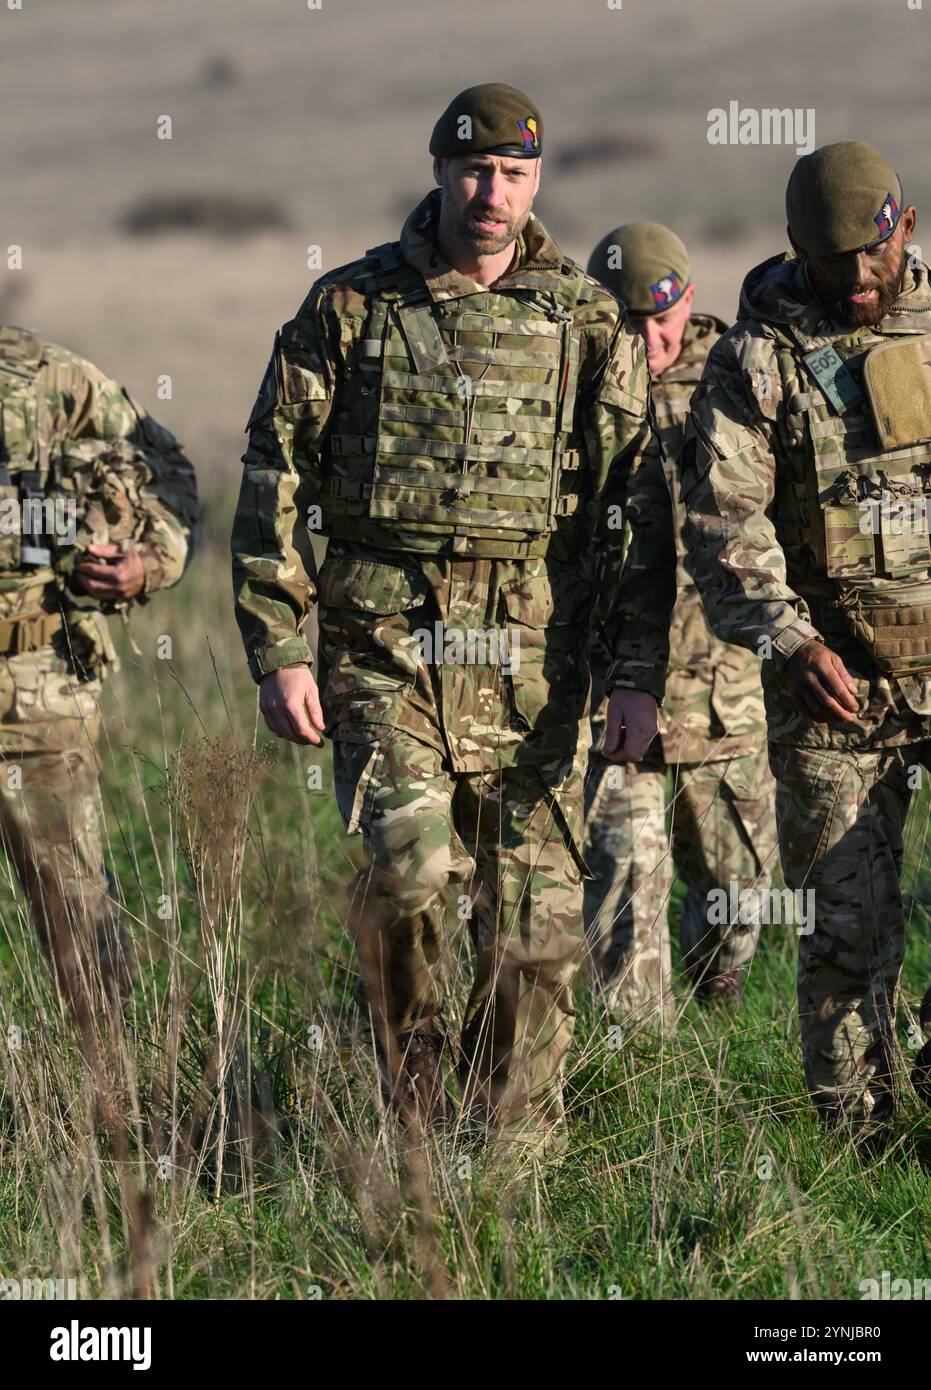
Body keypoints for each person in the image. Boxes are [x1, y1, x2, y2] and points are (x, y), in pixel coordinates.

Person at [231, 83, 675, 1155]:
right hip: (388, 653)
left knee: (538, 928)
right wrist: (279, 646)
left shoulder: (583, 320)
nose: (493, 193)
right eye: (474, 170)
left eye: (514, 175)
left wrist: (633, 674)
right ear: (438, 171)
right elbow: (271, 475)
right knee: (409, 872)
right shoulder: (351, 307)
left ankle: (513, 1151)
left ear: (537, 182)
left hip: (535, 664)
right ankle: (412, 1117)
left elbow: (633, 508)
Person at [681, 140, 931, 1137]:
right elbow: (721, 521)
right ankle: (864, 1147)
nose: (861, 283)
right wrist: (789, 640)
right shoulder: (756, 359)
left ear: (904, 226)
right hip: (834, 687)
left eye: (875, 256)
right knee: (846, 932)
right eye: (836, 266)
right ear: (795, 251)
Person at [584, 223, 776, 1023]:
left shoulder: (734, 381)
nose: (646, 342)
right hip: (612, 689)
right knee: (627, 884)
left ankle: (716, 1008)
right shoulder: (572, 387)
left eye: (658, 321)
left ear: (687, 302)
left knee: (739, 892)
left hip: (723, 688)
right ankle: (636, 1077)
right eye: (625, 324)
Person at [0, 325, 198, 1030]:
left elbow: (167, 471)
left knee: (73, 904)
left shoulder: (50, 377)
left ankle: (107, 1107)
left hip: (37, 681)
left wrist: (151, 558)